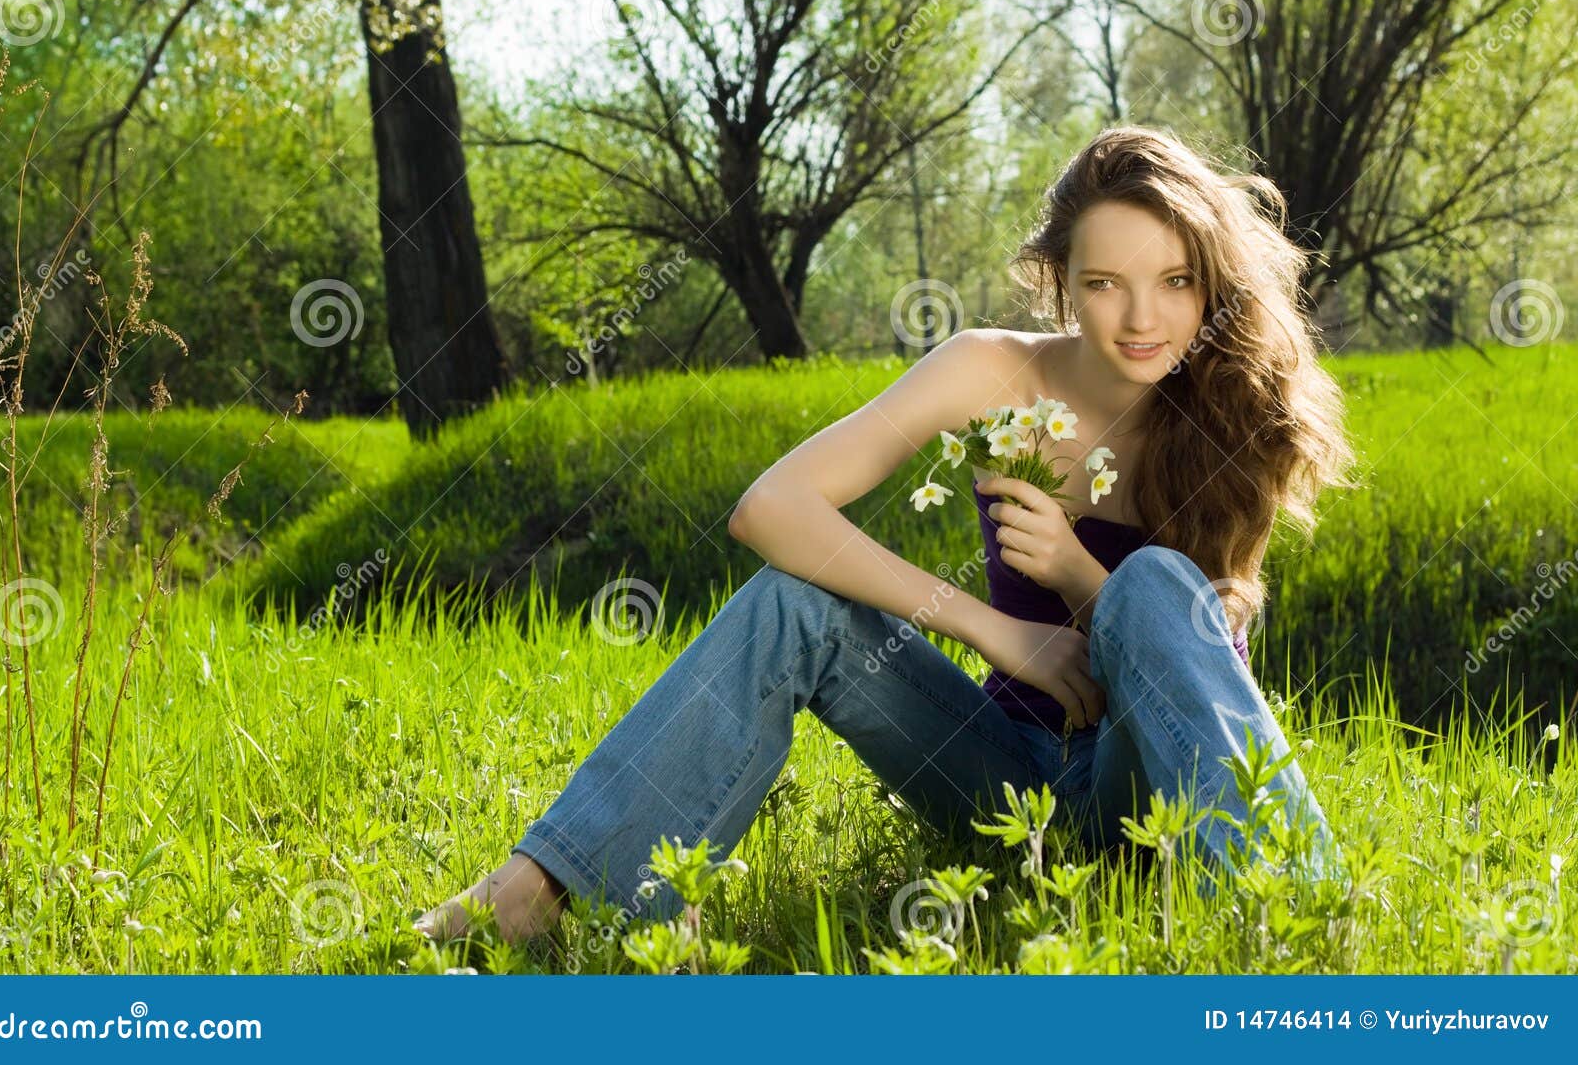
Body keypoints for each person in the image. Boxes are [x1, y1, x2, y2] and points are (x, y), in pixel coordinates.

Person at [412, 124, 1360, 945]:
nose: (1142, 317)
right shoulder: (994, 372)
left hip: (1150, 795)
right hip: (1007, 783)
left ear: (1210, 285)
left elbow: (1206, 672)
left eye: (1175, 281)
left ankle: (1297, 910)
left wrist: (1079, 574)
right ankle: (548, 890)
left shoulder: (1238, 409)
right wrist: (996, 631)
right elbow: (771, 506)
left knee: (1153, 582)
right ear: (1062, 284)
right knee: (794, 599)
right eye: (1106, 282)